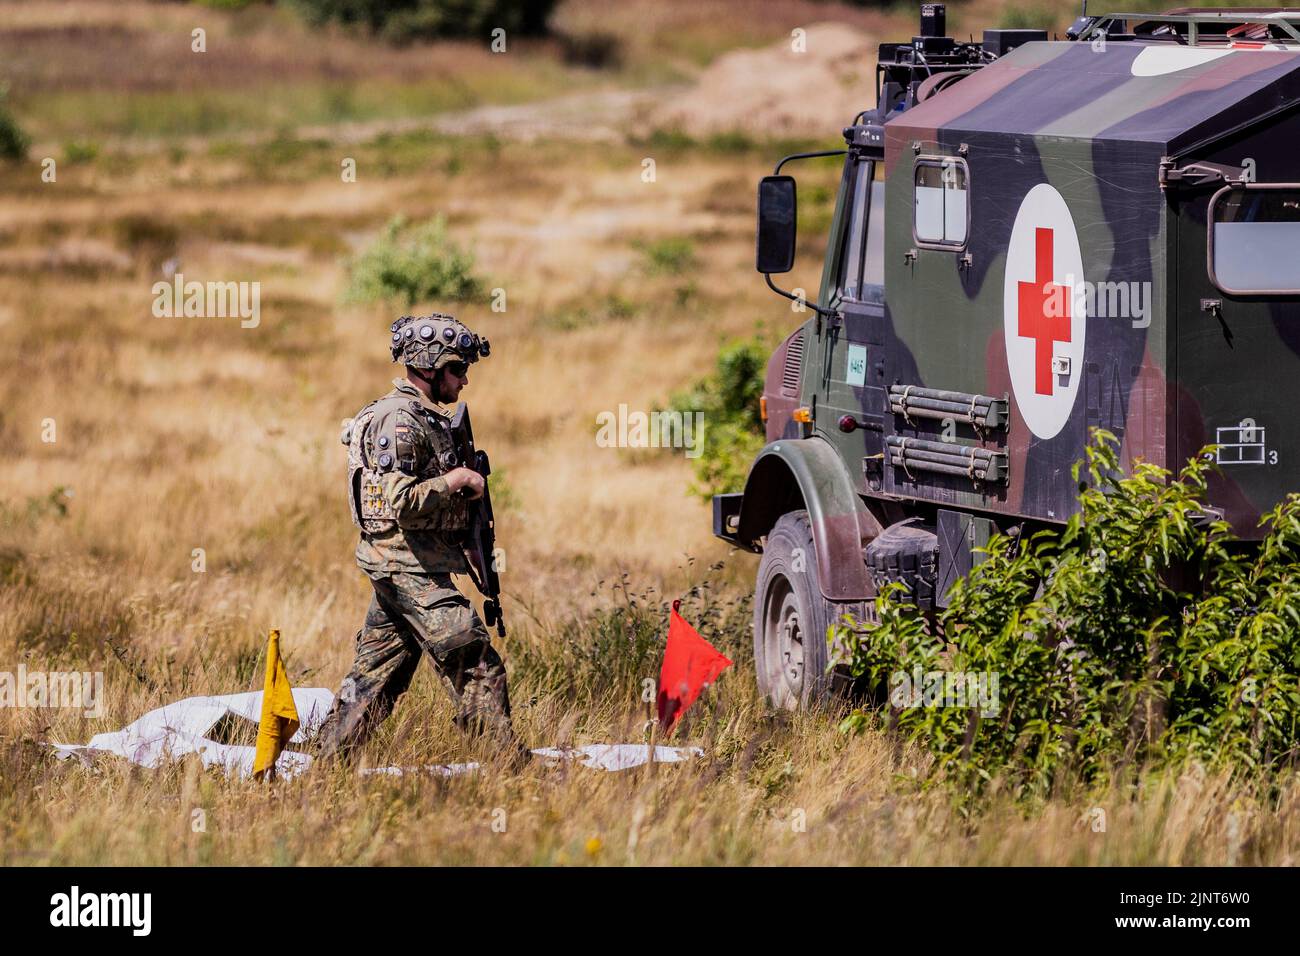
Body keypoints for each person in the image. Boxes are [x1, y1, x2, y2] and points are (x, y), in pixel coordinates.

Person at [315, 312, 515, 761]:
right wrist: (458, 479)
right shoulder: (399, 421)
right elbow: (400, 501)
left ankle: (325, 765)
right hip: (406, 565)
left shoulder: (423, 416)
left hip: (407, 564)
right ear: (428, 367)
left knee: (374, 680)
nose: (464, 381)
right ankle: (506, 767)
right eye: (458, 369)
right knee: (476, 664)